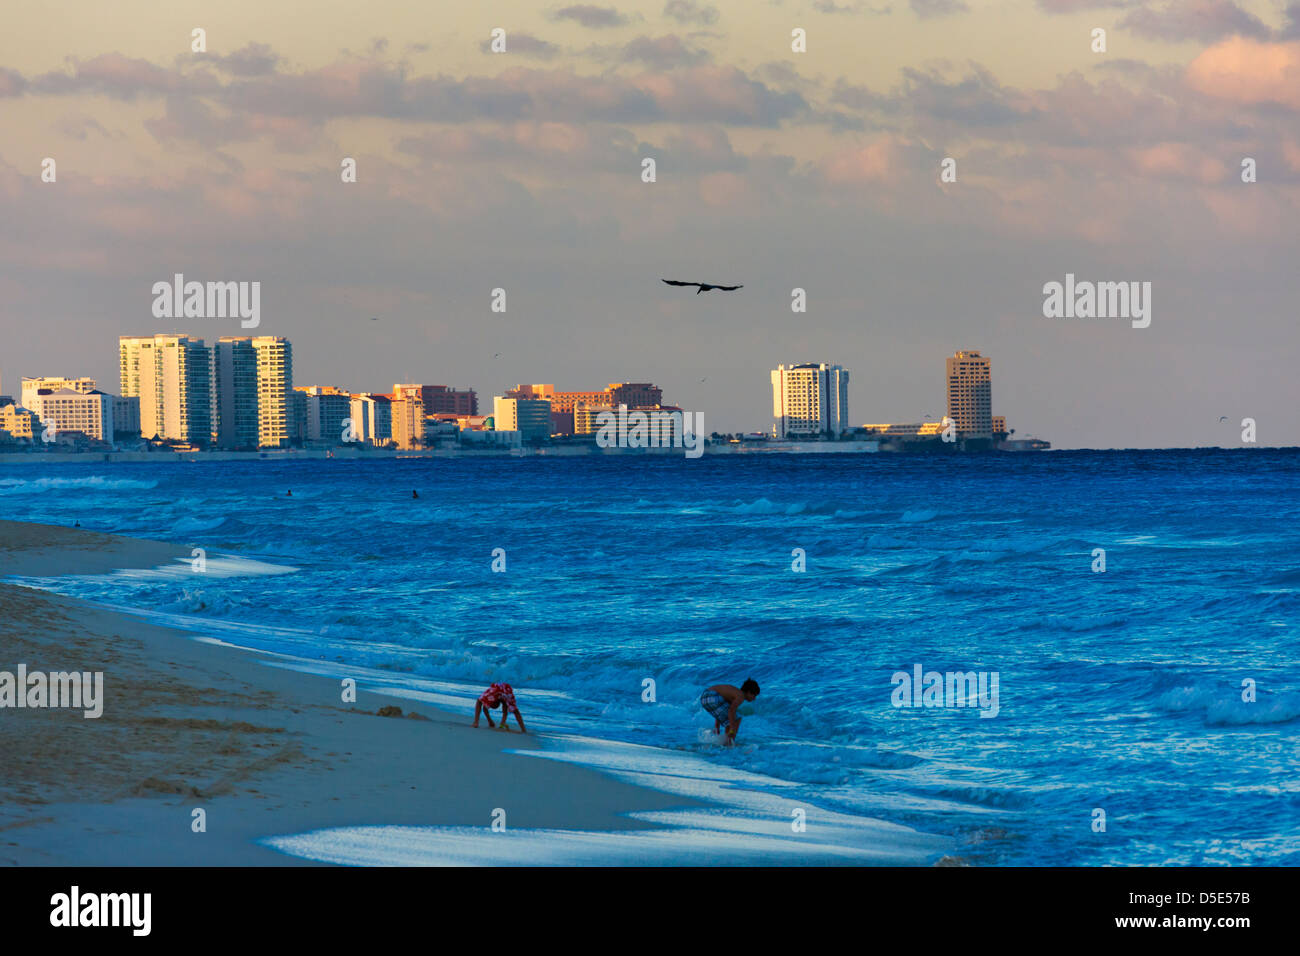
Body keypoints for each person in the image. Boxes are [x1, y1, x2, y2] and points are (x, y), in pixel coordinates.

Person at [700, 678, 759, 745]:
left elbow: (720, 712)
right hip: (713, 696)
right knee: (737, 717)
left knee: (730, 717)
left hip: (704, 697)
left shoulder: (733, 694)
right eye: (754, 695)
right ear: (748, 692)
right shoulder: (741, 696)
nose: (754, 699)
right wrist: (732, 729)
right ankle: (729, 742)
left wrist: (717, 727)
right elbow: (731, 711)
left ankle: (726, 741)